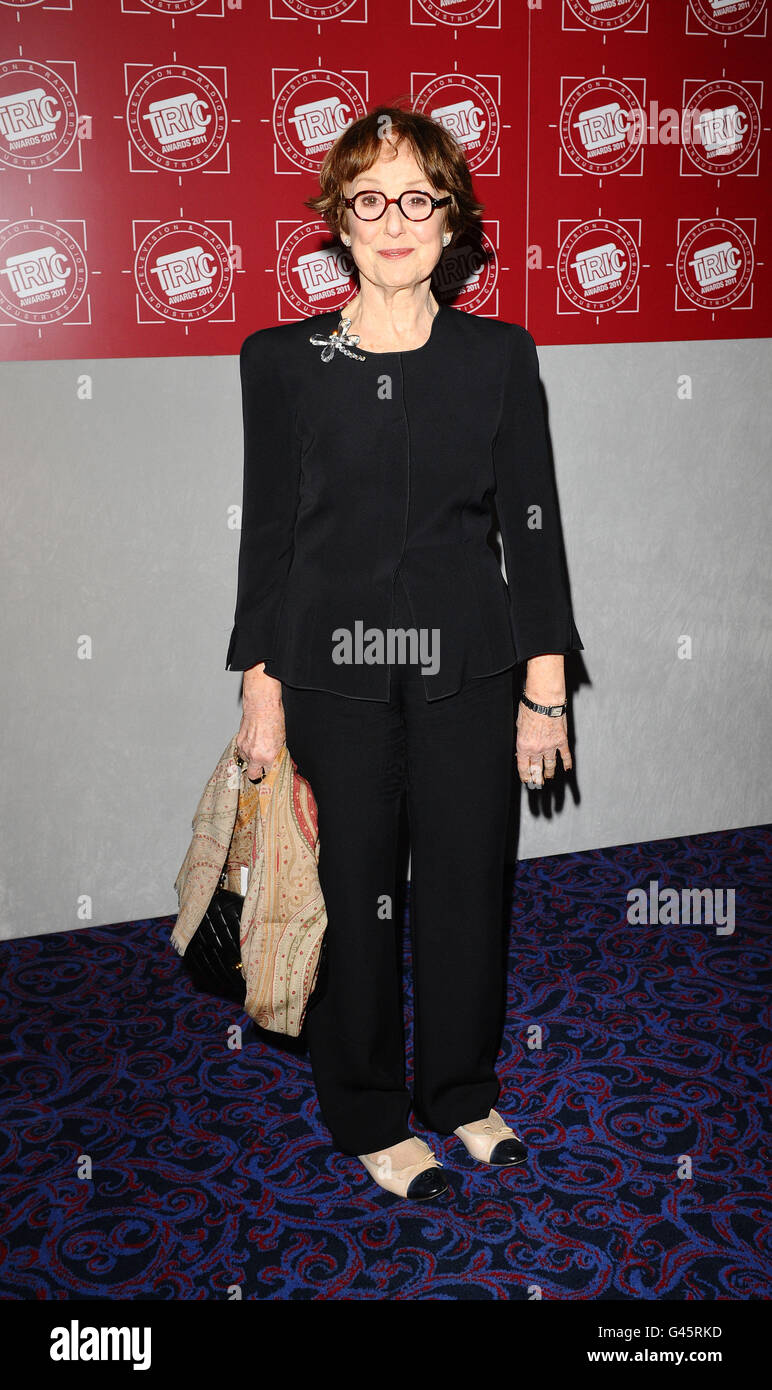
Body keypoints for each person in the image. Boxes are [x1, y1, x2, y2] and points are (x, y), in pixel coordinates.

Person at [227, 105, 583, 1202]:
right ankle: (374, 1112)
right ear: (338, 217)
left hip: (471, 675)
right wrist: (261, 689)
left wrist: (545, 691)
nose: (394, 220)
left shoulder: (497, 356)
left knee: (471, 887)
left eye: (418, 198)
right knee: (354, 890)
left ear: (450, 221)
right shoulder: (284, 360)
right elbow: (270, 539)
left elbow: (532, 524)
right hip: (330, 681)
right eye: (369, 198)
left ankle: (463, 1092)